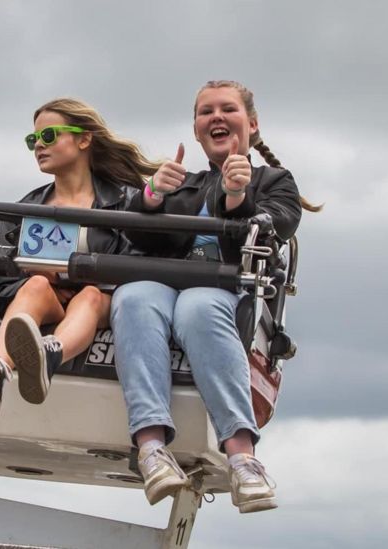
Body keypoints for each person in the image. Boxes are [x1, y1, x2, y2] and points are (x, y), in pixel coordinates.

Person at [111, 80, 317, 512]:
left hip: (226, 290)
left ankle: (242, 457)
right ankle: (150, 448)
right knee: (132, 297)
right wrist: (151, 197)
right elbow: (139, 237)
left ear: (252, 124)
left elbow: (279, 222)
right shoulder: (184, 184)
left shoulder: (274, 180)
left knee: (198, 307)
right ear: (197, 127)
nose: (216, 117)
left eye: (228, 109)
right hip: (165, 282)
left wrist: (238, 195)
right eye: (206, 112)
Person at [0, 98, 158, 424]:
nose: (38, 145)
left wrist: (78, 275)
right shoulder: (26, 209)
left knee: (90, 295)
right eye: (32, 140)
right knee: (36, 284)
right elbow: (4, 284)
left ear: (83, 139)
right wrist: (36, 273)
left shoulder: (125, 201)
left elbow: (137, 262)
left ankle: (49, 355)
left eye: (48, 136)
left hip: (101, 301)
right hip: (48, 300)